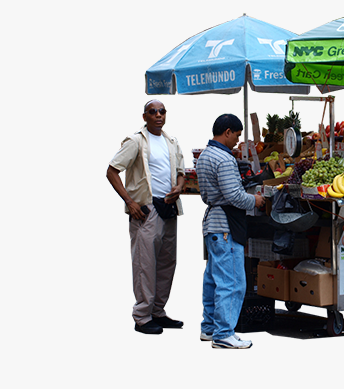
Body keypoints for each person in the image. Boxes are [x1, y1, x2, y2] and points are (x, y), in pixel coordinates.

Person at [107, 100, 186, 335]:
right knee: (145, 264)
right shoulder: (136, 142)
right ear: (145, 116)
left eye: (162, 111)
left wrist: (179, 188)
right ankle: (142, 316)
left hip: (169, 207)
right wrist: (130, 202)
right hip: (146, 210)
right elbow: (112, 171)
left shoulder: (172, 142)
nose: (159, 115)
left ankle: (158, 312)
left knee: (166, 263)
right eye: (153, 112)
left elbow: (181, 174)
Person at [196, 114, 266, 349]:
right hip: (225, 226)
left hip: (212, 225)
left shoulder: (206, 154)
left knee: (213, 280)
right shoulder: (224, 159)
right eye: (236, 135)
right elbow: (234, 196)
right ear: (227, 131)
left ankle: (209, 328)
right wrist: (255, 200)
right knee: (233, 281)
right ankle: (224, 333)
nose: (237, 140)